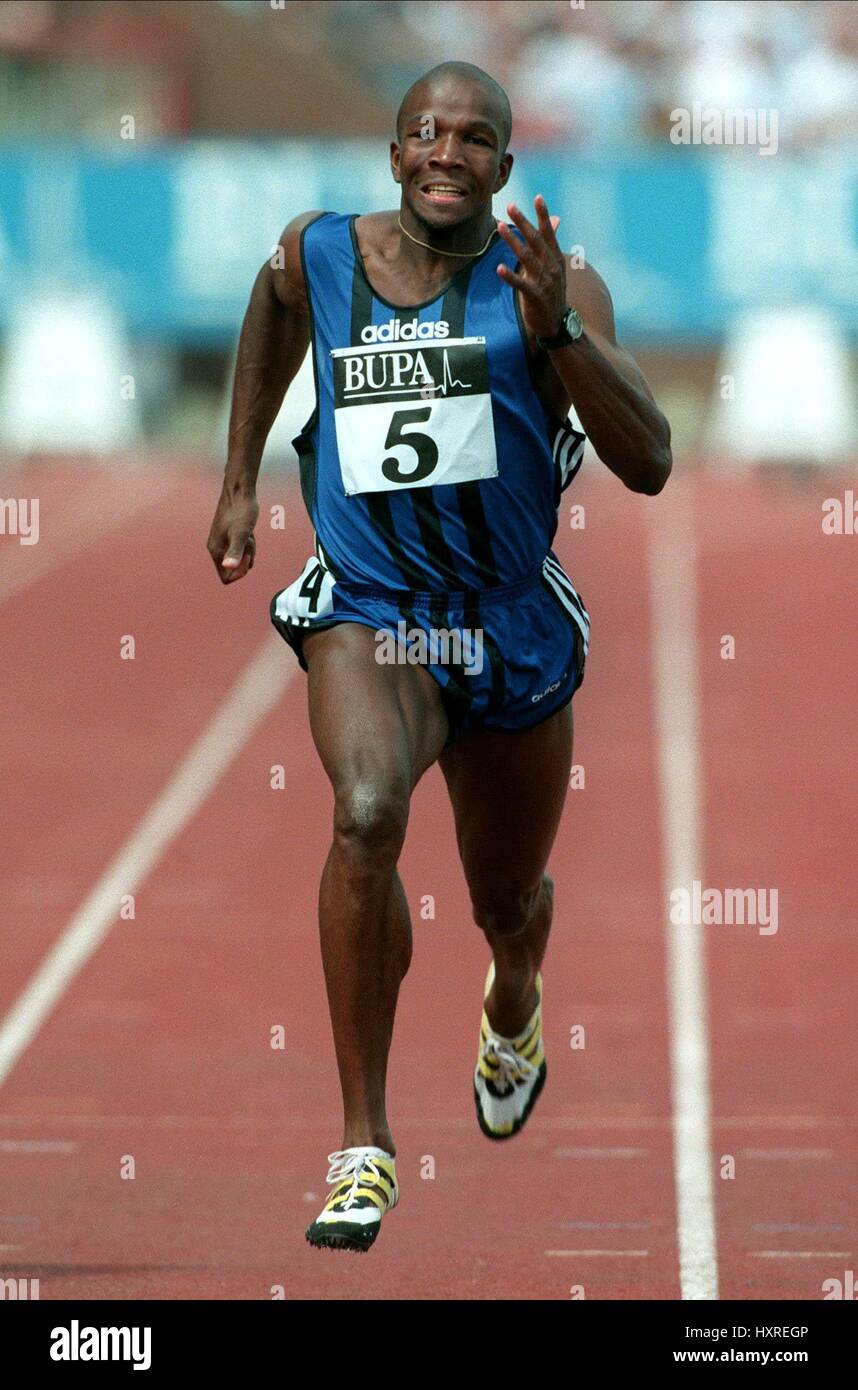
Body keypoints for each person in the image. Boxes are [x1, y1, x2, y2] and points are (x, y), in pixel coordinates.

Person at [206, 61, 671, 1253]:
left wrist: (559, 329)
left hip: (505, 623)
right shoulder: (318, 254)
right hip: (372, 611)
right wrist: (237, 483)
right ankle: (363, 1144)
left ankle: (513, 998)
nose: (447, 152)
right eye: (427, 132)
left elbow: (653, 457)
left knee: (506, 899)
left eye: (475, 137)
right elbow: (269, 308)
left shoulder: (547, 288)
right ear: (396, 152)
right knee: (364, 814)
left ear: (506, 166)